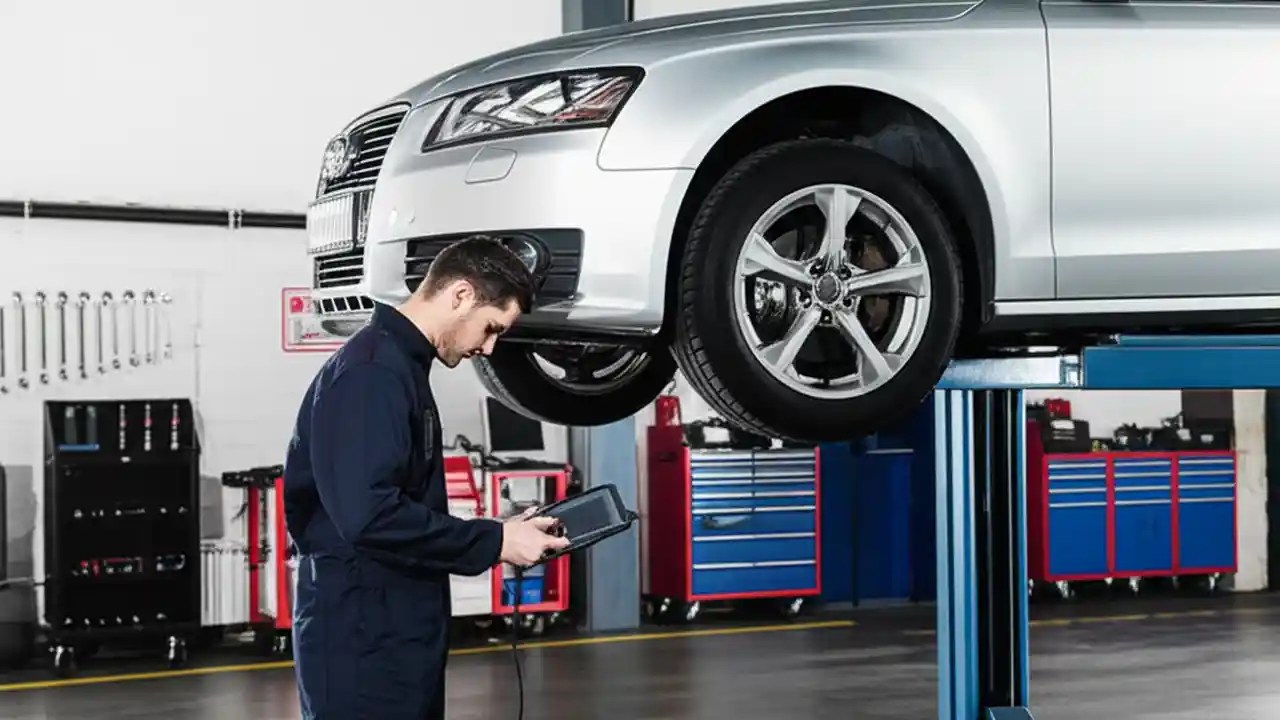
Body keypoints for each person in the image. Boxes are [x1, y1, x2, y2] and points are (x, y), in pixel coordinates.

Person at [282, 235, 571, 720]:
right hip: (364, 641)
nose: (489, 346)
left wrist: (500, 529)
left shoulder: (399, 366)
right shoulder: (372, 374)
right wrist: (494, 542)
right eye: (491, 327)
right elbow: (368, 515)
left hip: (390, 627)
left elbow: (395, 498)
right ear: (460, 295)